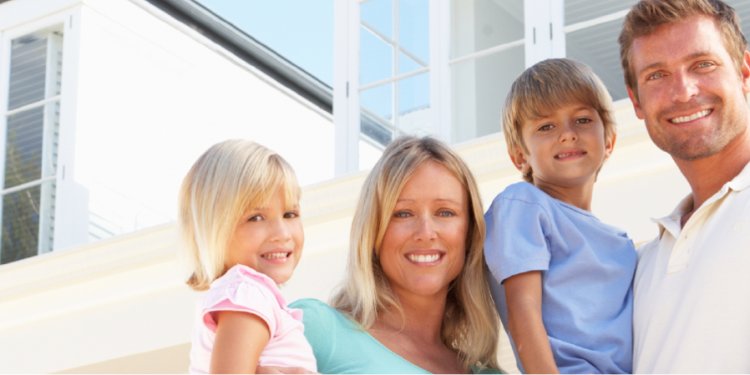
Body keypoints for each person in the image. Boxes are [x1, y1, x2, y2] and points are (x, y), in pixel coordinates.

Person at [289, 136, 501, 373]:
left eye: (445, 212)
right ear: (373, 231)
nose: (426, 232)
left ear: (470, 232)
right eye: (403, 214)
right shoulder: (312, 328)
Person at [619, 0, 750, 372]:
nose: (683, 91)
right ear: (636, 101)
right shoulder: (644, 263)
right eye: (656, 75)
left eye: (702, 65)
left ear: (744, 71)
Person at [484, 58, 636, 374]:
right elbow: (522, 313)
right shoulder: (523, 205)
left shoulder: (623, 245)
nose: (567, 134)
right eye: (546, 126)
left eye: (582, 120)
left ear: (608, 141)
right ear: (519, 156)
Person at [178, 139, 316, 373]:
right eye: (256, 218)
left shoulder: (248, 296)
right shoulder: (247, 293)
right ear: (214, 228)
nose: (282, 234)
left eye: (290, 214)